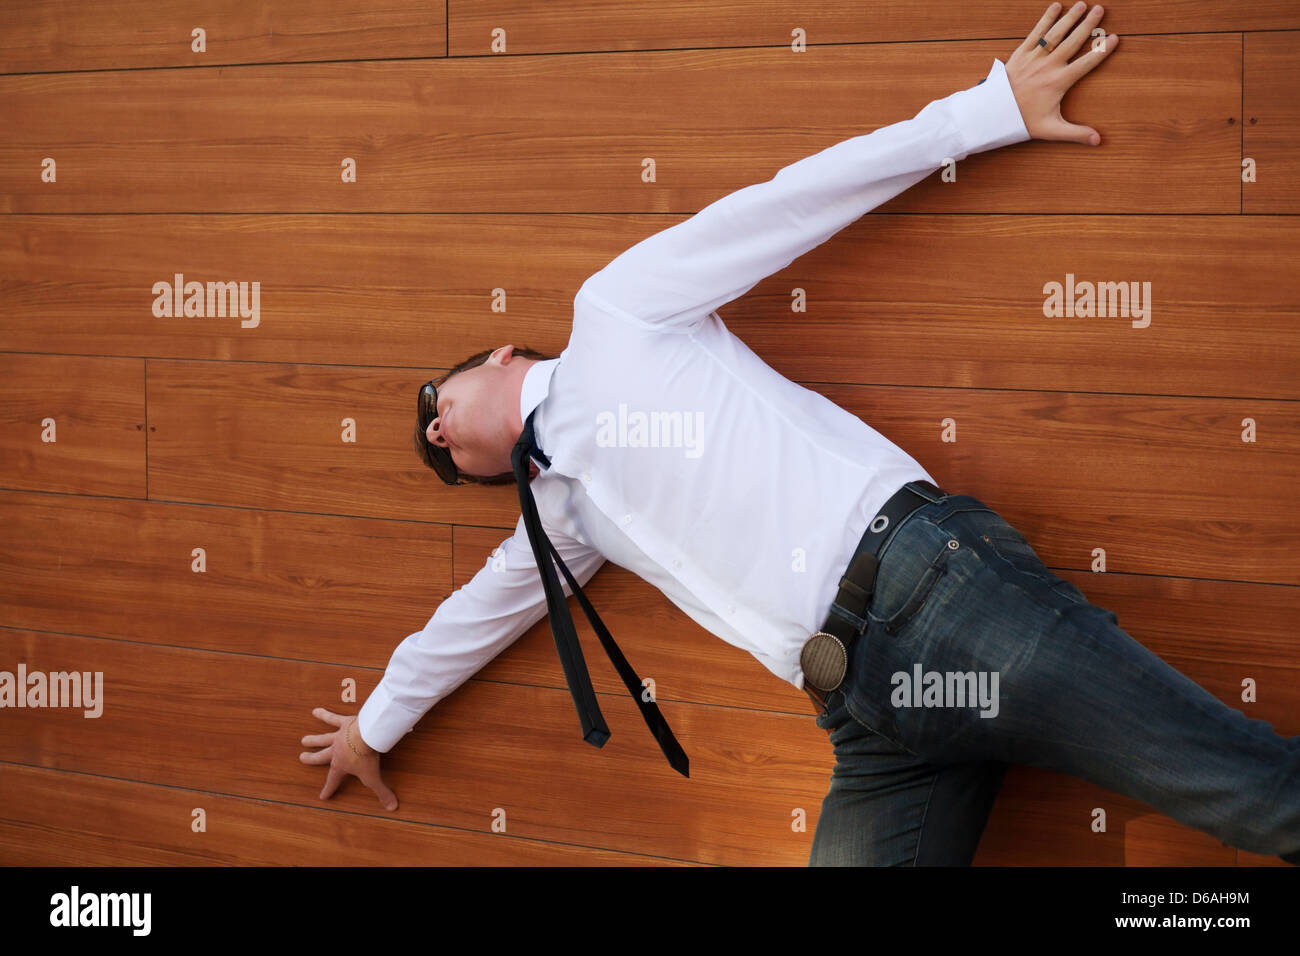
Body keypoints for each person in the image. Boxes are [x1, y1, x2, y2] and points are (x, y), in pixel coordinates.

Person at [299, 3, 1300, 865]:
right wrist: (372, 727)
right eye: (443, 460)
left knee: (1252, 794)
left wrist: (985, 111)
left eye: (436, 399)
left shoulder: (614, 314)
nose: (439, 431)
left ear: (504, 354)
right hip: (869, 714)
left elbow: (783, 205)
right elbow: (469, 618)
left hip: (938, 597)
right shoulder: (564, 514)